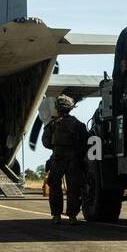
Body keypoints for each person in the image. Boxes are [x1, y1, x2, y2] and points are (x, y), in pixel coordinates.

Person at [42, 94, 88, 222]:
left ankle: (57, 216)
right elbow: (86, 141)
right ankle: (72, 216)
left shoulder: (52, 124)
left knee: (54, 185)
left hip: (58, 157)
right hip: (74, 158)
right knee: (74, 187)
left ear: (57, 108)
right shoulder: (78, 124)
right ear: (71, 107)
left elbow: (46, 143)